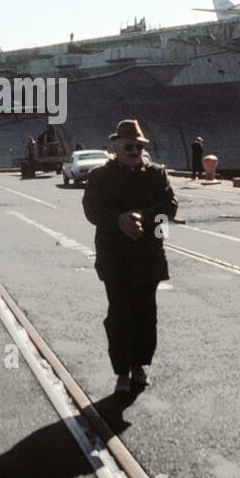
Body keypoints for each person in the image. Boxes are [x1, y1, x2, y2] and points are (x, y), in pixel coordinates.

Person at [83, 119, 177, 394]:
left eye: (138, 147)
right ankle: (122, 371)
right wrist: (118, 221)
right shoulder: (100, 176)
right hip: (115, 260)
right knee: (119, 316)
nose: (134, 151)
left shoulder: (156, 175)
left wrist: (143, 218)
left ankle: (140, 365)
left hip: (149, 257)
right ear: (117, 147)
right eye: (129, 146)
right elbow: (91, 210)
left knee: (147, 316)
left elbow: (169, 208)